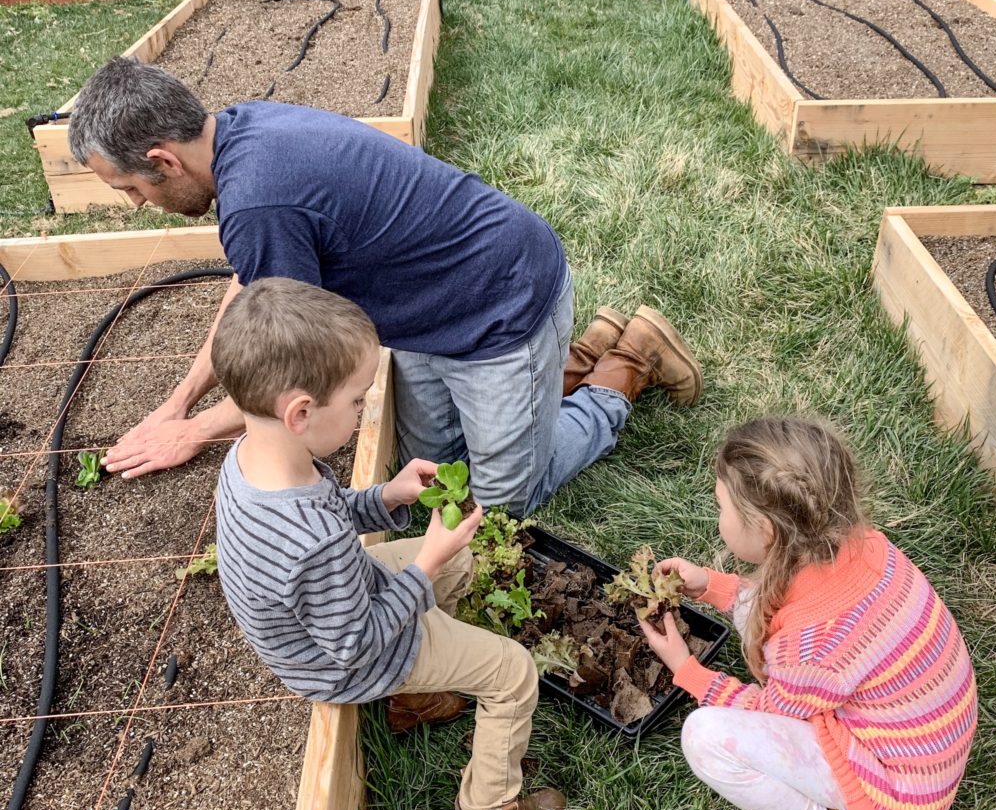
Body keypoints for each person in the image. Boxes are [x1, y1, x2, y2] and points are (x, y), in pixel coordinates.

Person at [67, 56, 703, 517]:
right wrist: (180, 400)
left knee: (500, 499)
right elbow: (251, 294)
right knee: (433, 470)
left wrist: (195, 432)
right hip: (431, 311)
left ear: (161, 160)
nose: (138, 204)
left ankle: (625, 370)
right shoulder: (240, 129)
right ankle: (576, 353)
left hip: (501, 304)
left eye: (130, 190)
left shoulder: (259, 202)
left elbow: (287, 371)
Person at [210, 276, 565, 810]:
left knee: (460, 562)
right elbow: (359, 641)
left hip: (334, 618)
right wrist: (423, 564)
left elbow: (331, 515)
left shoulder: (254, 462)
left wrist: (388, 498)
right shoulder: (313, 542)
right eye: (356, 401)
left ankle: (419, 698)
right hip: (348, 659)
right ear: (300, 412)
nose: (359, 411)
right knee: (513, 672)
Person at [638, 416, 977, 810]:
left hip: (901, 789)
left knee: (704, 737)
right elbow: (781, 598)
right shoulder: (862, 548)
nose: (718, 521)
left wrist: (688, 672)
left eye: (721, 508)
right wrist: (713, 586)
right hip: (925, 745)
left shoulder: (810, 646)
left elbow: (770, 711)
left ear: (765, 531)